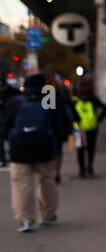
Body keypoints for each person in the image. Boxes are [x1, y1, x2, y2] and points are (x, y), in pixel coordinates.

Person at [0, 73, 72, 232]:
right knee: (47, 180)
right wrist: (57, 142)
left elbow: (4, 126)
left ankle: (25, 219)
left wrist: (11, 140)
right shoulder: (50, 101)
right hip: (45, 148)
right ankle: (47, 215)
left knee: (21, 185)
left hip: (19, 151)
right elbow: (61, 125)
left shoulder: (15, 102)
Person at [72, 83, 106, 178]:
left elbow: (70, 113)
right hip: (92, 128)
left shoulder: (75, 100)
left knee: (80, 149)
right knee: (91, 149)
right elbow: (105, 109)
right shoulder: (93, 98)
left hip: (79, 128)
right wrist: (98, 120)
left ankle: (81, 170)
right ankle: (90, 166)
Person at [0, 78, 18, 169]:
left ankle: (12, 156)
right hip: (3, 119)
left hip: (10, 119)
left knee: (11, 139)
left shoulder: (13, 91)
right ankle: (2, 159)